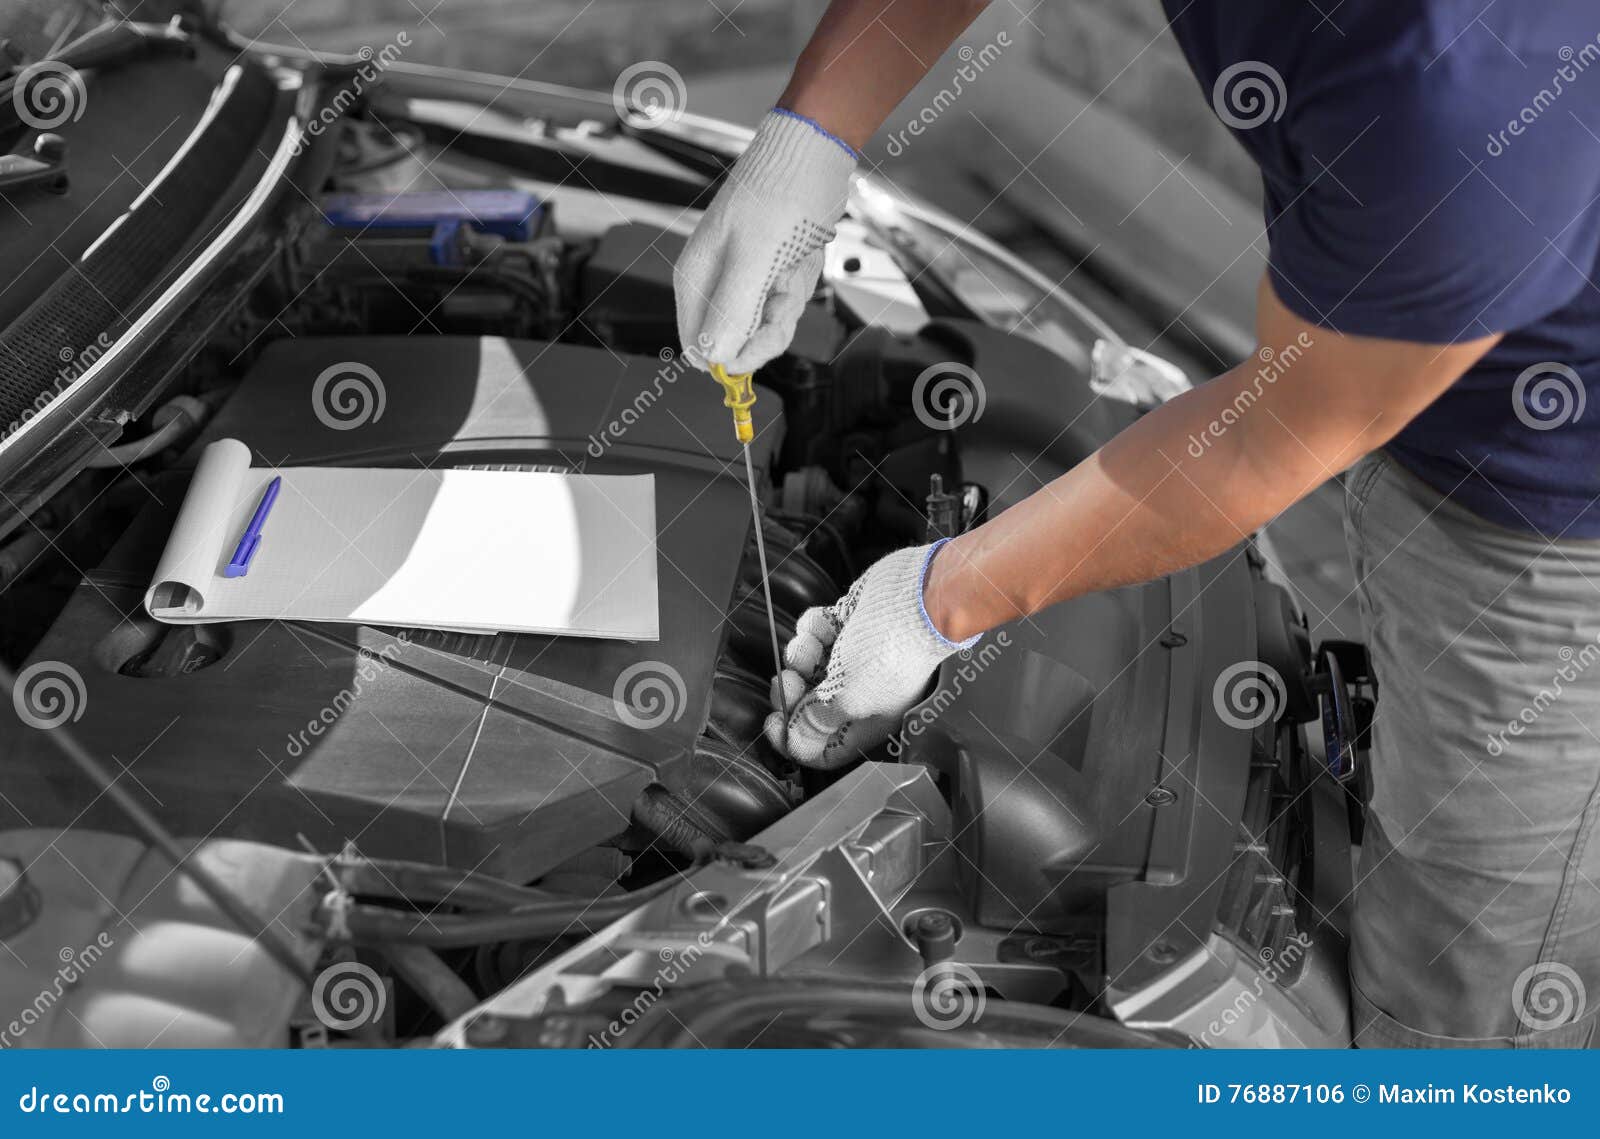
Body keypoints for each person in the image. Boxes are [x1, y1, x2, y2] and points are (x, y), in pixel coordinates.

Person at [673, 1, 1600, 1048]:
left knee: (1461, 1005)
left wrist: (937, 601)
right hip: (1430, 359)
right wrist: (814, 132)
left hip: (1550, 519)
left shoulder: (1468, 78)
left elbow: (1268, 442)